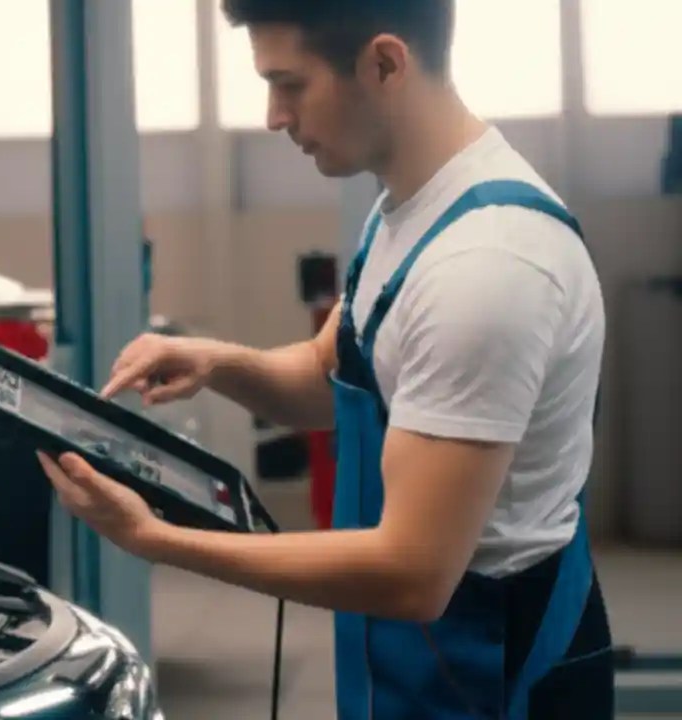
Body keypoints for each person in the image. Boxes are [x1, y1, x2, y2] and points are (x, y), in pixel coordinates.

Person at [35, 0, 613, 717]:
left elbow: (411, 574)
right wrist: (217, 364)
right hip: (412, 659)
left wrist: (156, 539)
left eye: (290, 84)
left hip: (495, 674)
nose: (275, 116)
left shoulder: (487, 267)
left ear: (384, 64)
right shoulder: (405, 210)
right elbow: (329, 375)